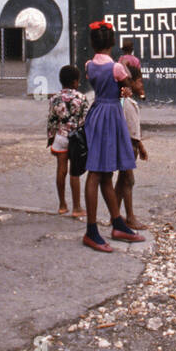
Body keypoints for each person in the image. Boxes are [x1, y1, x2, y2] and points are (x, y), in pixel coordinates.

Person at [81, 21, 143, 252]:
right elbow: (128, 88)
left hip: (97, 112)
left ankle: (117, 223)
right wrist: (125, 89)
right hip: (111, 115)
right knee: (97, 173)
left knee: (104, 173)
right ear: (113, 42)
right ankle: (91, 231)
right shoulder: (117, 68)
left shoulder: (89, 65)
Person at [47, 65, 88, 219]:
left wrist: (51, 140)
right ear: (75, 82)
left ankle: (62, 205)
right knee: (74, 172)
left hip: (60, 136)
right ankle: (77, 207)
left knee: (61, 170)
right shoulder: (81, 98)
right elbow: (85, 121)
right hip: (76, 138)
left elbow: (51, 121)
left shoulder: (54, 99)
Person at [119, 64, 149, 230]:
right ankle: (130, 217)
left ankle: (115, 215)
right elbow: (129, 131)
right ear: (131, 82)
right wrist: (137, 145)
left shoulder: (127, 102)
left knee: (121, 182)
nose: (142, 86)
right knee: (129, 181)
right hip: (127, 147)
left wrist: (141, 146)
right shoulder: (127, 104)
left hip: (130, 146)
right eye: (140, 82)